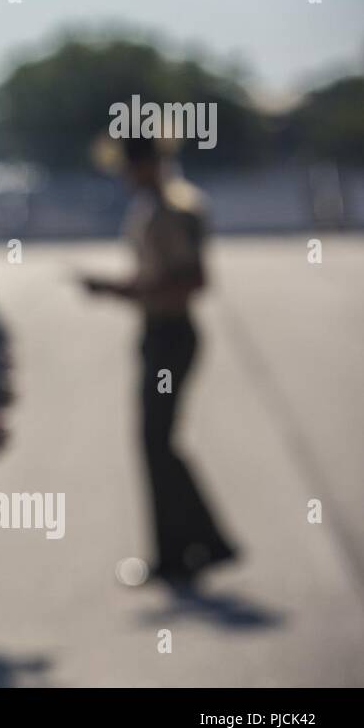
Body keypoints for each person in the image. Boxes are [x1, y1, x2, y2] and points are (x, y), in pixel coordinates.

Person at [82, 132, 240, 587]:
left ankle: (184, 551)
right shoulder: (161, 204)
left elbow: (191, 281)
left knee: (156, 440)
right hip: (161, 332)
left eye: (130, 165)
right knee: (158, 441)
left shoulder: (173, 208)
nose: (125, 175)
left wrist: (118, 291)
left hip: (171, 334)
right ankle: (202, 543)